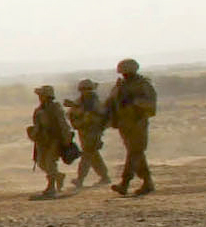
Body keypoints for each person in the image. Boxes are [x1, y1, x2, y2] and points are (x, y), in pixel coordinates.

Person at [105, 58, 157, 196]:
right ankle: (147, 183)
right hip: (124, 124)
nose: (125, 75)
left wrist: (134, 101)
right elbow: (110, 102)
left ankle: (125, 183)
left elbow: (151, 103)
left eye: (126, 72)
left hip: (137, 123)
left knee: (134, 153)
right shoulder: (120, 85)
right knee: (136, 154)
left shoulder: (142, 84)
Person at [28, 85, 73, 198]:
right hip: (42, 140)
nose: (39, 97)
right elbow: (37, 125)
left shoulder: (55, 108)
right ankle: (58, 176)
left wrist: (66, 138)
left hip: (54, 140)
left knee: (50, 162)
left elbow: (63, 123)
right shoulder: (39, 110)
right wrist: (34, 135)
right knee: (41, 163)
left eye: (41, 95)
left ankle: (51, 187)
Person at [67, 78, 112, 189]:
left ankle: (80, 179)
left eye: (87, 89)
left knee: (87, 155)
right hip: (84, 131)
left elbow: (102, 116)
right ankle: (104, 176)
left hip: (93, 132)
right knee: (93, 155)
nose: (85, 91)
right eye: (83, 89)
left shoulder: (94, 102)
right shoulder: (81, 102)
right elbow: (72, 115)